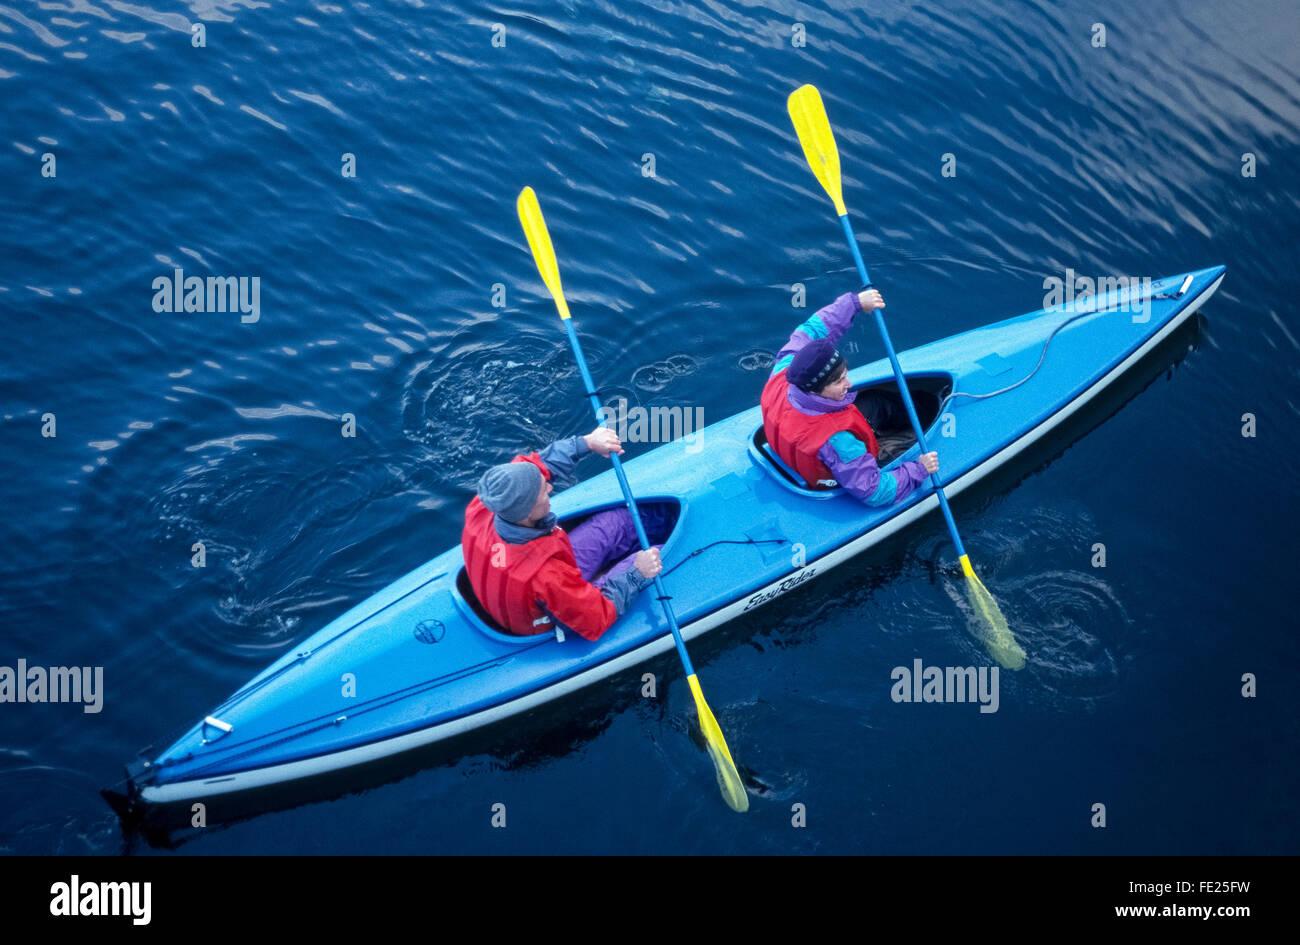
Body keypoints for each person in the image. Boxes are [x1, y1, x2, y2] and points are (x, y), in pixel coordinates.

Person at [462, 427, 664, 641]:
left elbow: (536, 466)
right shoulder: (546, 577)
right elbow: (597, 618)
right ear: (528, 511)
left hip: (542, 580)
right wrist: (637, 573)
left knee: (618, 522)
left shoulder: (485, 506)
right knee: (654, 556)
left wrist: (587, 442)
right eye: (542, 491)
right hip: (556, 610)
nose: (550, 488)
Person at [760, 287, 939, 505]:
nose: (849, 384)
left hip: (802, 443)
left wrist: (854, 304)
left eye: (845, 375)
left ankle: (927, 406)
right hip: (841, 470)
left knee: (875, 401)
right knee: (910, 442)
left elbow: (813, 329)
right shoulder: (839, 441)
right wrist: (918, 470)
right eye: (838, 381)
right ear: (816, 389)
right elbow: (874, 492)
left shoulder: (783, 371)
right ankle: (931, 417)